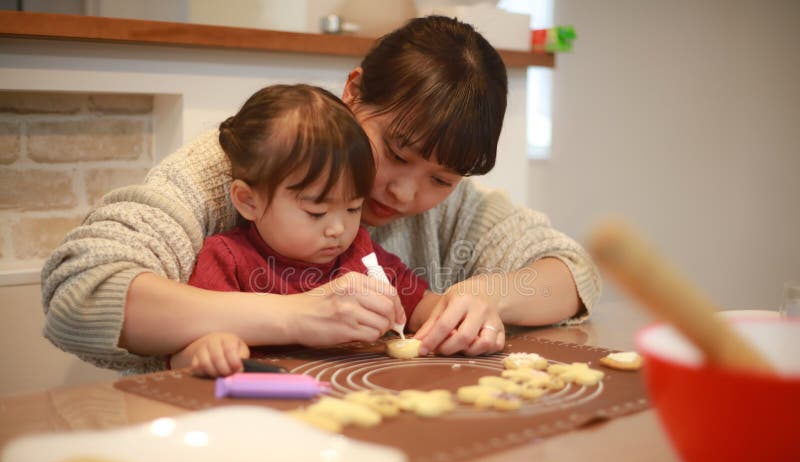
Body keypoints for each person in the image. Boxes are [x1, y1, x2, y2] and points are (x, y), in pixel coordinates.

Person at [41, 16, 601, 375]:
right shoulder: (242, 171)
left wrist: (488, 294)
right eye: (397, 153)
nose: (406, 194)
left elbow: (570, 273)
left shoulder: (454, 209)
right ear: (353, 91)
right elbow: (82, 292)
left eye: (442, 179)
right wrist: (293, 317)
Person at [172, 84, 438, 377]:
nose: (338, 229)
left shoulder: (360, 251)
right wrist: (208, 350)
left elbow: (421, 304)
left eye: (353, 208)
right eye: (317, 212)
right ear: (249, 201)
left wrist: (453, 312)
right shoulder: (229, 260)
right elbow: (181, 350)